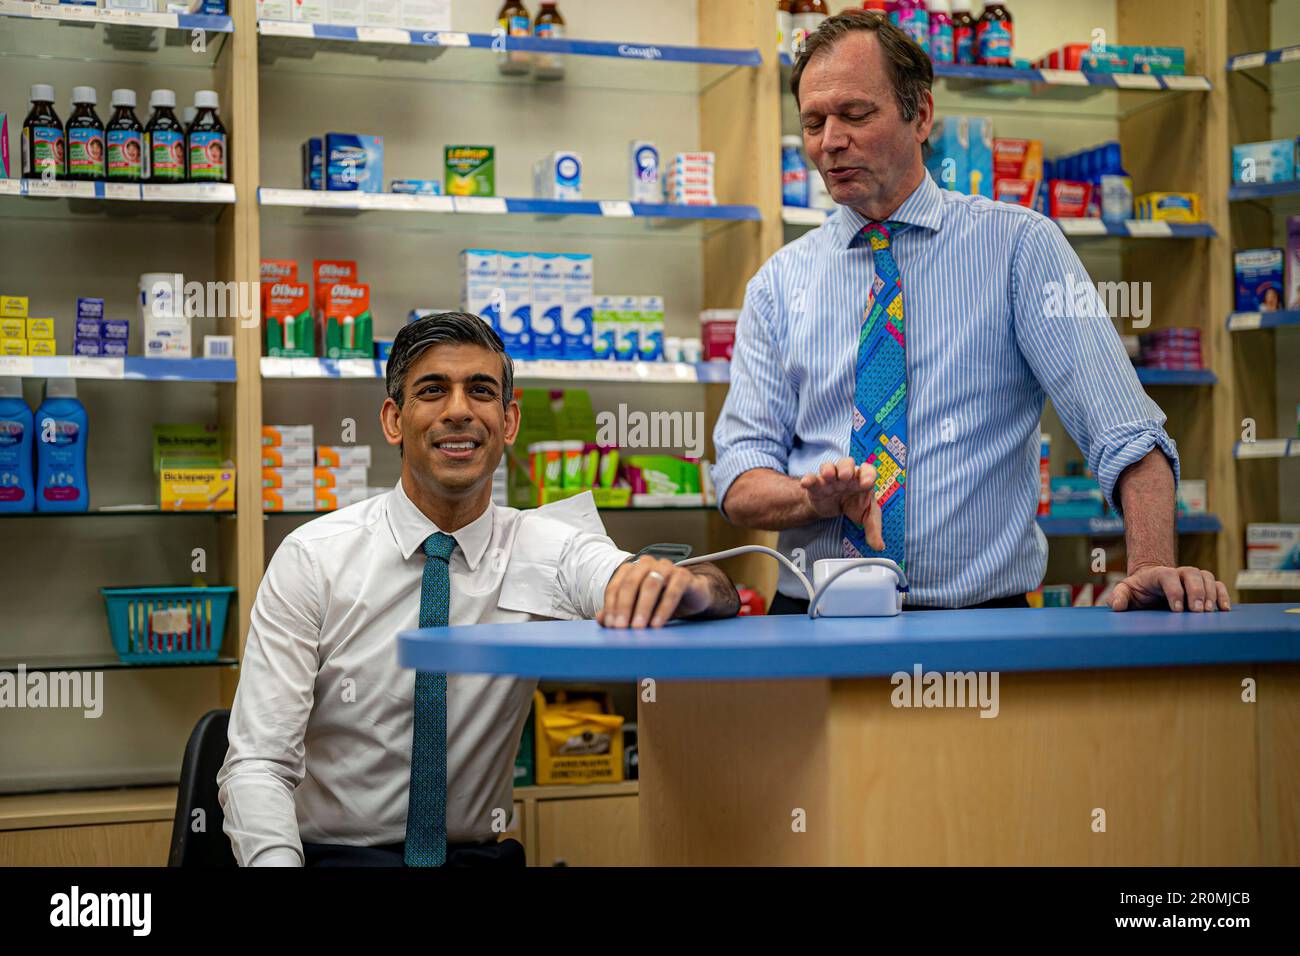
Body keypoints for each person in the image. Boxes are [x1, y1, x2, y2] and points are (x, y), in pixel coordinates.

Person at [713, 11, 1230, 615]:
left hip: (979, 621)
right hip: (809, 620)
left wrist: (1150, 566)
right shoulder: (779, 284)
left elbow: (1127, 433)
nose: (830, 140)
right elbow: (740, 478)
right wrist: (817, 499)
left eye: (855, 114)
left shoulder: (1018, 248)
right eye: (813, 121)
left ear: (922, 115)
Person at [219, 313, 739, 867]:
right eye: (433, 390)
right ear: (394, 420)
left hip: (475, 859)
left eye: (481, 391)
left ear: (508, 421)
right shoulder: (313, 558)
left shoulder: (547, 547)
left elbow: (696, 587)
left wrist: (684, 588)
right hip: (339, 859)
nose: (459, 410)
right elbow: (258, 765)